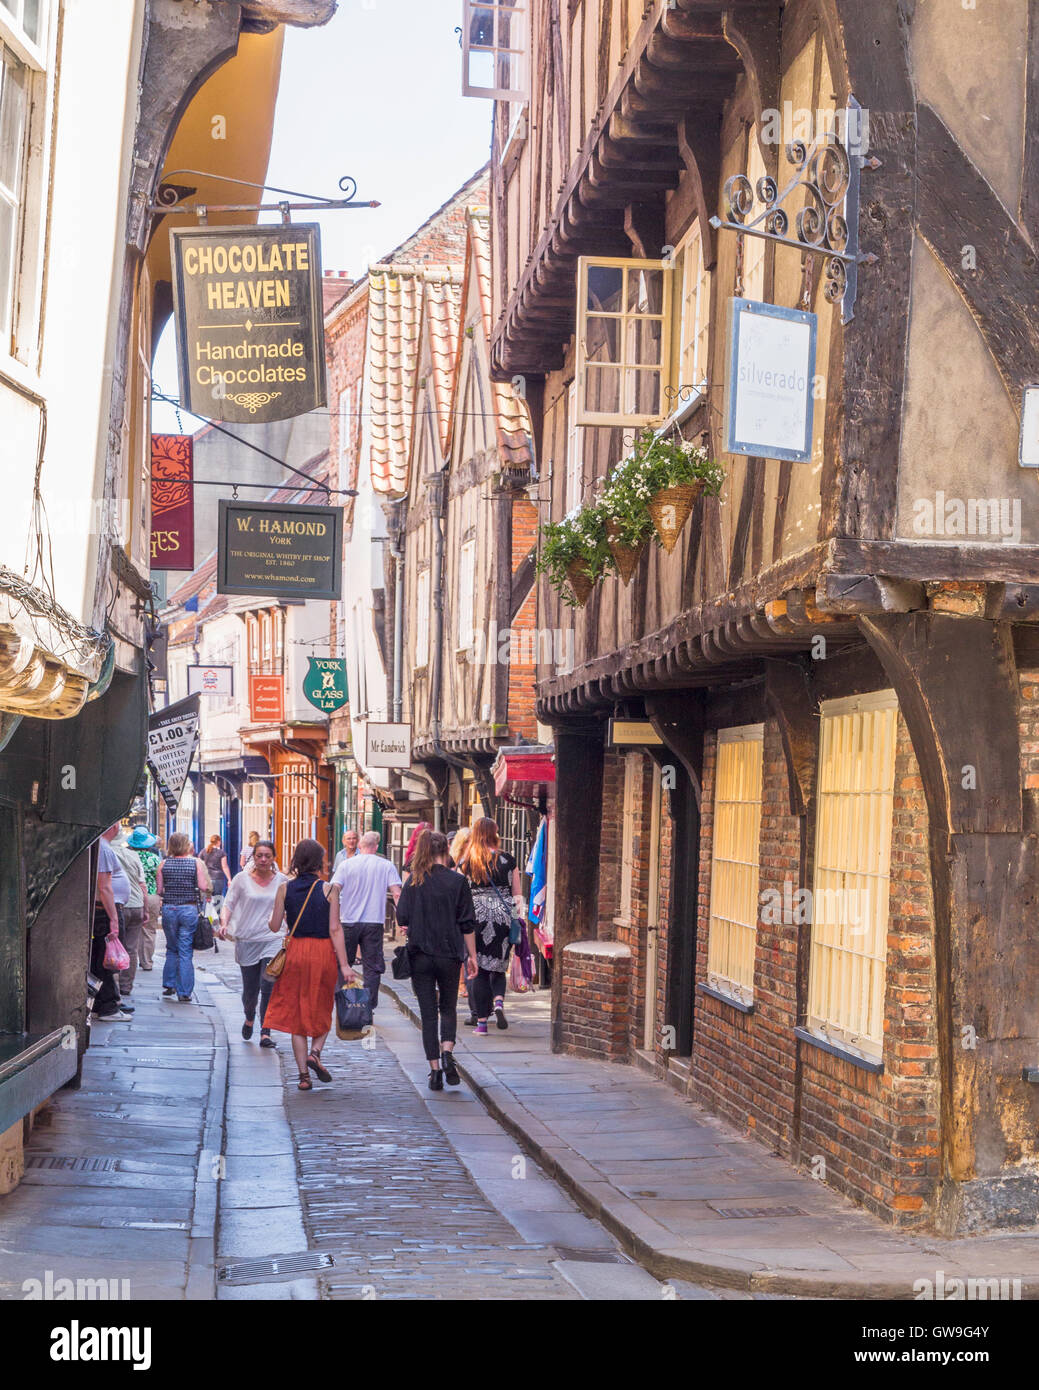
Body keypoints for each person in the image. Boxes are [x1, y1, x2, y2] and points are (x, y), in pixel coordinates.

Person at [264, 838, 354, 1091]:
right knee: (323, 1006)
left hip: (296, 951)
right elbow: (335, 929)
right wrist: (345, 965)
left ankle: (303, 1076)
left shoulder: (284, 888)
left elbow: (274, 926)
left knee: (296, 1013)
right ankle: (315, 1052)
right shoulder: (329, 890)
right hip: (322, 952)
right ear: (318, 861)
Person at [394, 830, 477, 1091]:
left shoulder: (413, 882)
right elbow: (467, 923)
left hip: (420, 956)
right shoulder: (457, 882)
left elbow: (402, 918)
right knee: (449, 1007)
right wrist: (472, 956)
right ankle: (448, 1052)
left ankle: (435, 1071)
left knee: (428, 1015)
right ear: (445, 851)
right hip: (450, 954)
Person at [458, 817, 525, 1035]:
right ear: (495, 834)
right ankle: (498, 1002)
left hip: (475, 915)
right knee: (498, 965)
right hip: (502, 915)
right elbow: (517, 894)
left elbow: (460, 893)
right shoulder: (508, 859)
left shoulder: (467, 860)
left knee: (477, 968)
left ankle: (482, 1024)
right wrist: (517, 918)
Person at [219, 840, 284, 1048]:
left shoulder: (282, 881)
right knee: (250, 990)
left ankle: (266, 1031)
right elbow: (228, 904)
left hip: (273, 939)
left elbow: (289, 910)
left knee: (268, 985)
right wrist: (224, 924)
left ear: (274, 857)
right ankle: (249, 1017)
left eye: (267, 855)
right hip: (247, 939)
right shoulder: (241, 879)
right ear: (253, 858)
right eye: (259, 856)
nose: (263, 859)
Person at [327, 830, 402, 1014]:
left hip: (349, 920)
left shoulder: (346, 865)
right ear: (376, 847)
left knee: (343, 962)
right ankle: (369, 1005)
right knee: (372, 966)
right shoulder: (386, 865)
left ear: (360, 845)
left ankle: (342, 1001)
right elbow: (397, 893)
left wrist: (332, 914)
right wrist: (402, 920)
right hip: (373, 921)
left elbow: (334, 889)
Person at [157, 832, 210, 1002]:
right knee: (185, 950)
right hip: (189, 908)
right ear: (187, 845)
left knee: (172, 947)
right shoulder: (195, 863)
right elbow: (203, 886)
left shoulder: (164, 864)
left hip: (169, 908)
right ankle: (184, 992)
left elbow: (159, 891)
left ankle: (169, 983)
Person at [91, 826, 131, 1022]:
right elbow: (104, 886)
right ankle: (108, 1006)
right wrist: (114, 919)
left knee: (102, 959)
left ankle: (103, 1003)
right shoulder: (104, 848)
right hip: (106, 911)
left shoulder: (101, 846)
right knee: (107, 961)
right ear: (113, 826)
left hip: (106, 910)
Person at [111, 829, 148, 1005]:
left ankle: (112, 986)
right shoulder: (134, 856)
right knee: (131, 948)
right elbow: (143, 885)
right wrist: (145, 909)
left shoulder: (107, 852)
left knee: (113, 946)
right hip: (136, 905)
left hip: (117, 905)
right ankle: (126, 986)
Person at [127, 826, 161, 971]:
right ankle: (146, 961)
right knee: (149, 930)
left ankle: (129, 960)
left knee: (130, 929)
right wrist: (158, 895)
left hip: (131, 894)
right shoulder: (155, 859)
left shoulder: (128, 856)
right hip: (151, 894)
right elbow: (159, 879)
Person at [202, 835, 231, 903]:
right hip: (218, 878)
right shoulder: (221, 852)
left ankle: (207, 913)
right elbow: (225, 866)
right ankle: (219, 913)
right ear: (218, 841)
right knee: (217, 900)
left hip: (207, 878)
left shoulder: (204, 851)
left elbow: (199, 862)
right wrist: (229, 879)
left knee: (207, 900)